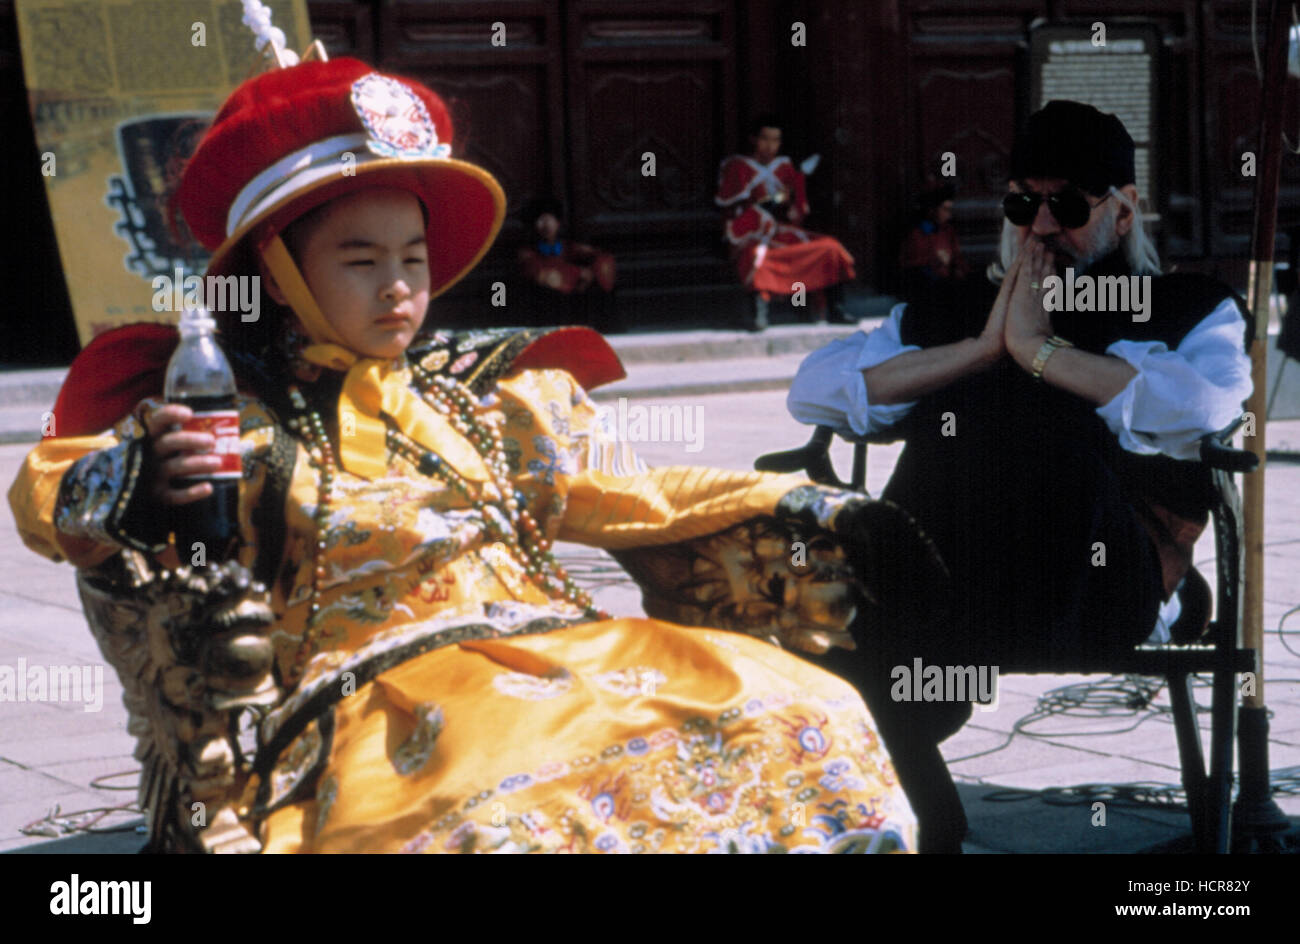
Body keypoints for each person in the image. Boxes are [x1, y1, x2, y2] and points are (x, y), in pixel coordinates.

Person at [7, 42, 945, 853]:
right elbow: (47, 493)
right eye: (359, 261)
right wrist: (132, 480)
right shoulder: (234, 413)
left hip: (565, 651)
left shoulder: (488, 391)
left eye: (412, 259)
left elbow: (632, 494)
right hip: (379, 697)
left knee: (802, 710)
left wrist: (798, 504)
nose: (398, 290)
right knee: (509, 804)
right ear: (279, 273)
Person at [786, 100, 1253, 852]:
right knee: (814, 595)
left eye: (1066, 206)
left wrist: (1037, 352)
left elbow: (1200, 408)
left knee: (1035, 433)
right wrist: (979, 351)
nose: (1039, 227)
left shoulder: (1188, 306)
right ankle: (930, 815)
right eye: (1022, 203)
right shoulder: (958, 307)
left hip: (1096, 591)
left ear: (1123, 211)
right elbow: (813, 388)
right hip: (950, 590)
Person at [715, 115, 856, 331]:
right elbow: (736, 209)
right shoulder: (738, 166)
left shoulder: (784, 166)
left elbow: (795, 210)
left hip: (782, 230)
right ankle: (758, 313)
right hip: (751, 232)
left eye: (776, 140)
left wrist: (796, 187)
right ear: (754, 139)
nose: (770, 145)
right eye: (765, 139)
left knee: (830, 247)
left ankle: (835, 308)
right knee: (756, 256)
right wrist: (773, 202)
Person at [516, 196, 617, 331]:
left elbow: (600, 257)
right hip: (547, 312)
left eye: (550, 219)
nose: (546, 225)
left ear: (558, 222)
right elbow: (539, 272)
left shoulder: (568, 247)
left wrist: (591, 275)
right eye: (540, 220)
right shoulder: (526, 252)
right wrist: (579, 273)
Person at [899, 183, 968, 296]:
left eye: (950, 210)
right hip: (927, 288)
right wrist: (936, 260)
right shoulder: (917, 233)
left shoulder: (948, 230)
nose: (948, 215)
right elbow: (911, 264)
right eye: (945, 209)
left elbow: (957, 258)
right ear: (932, 209)